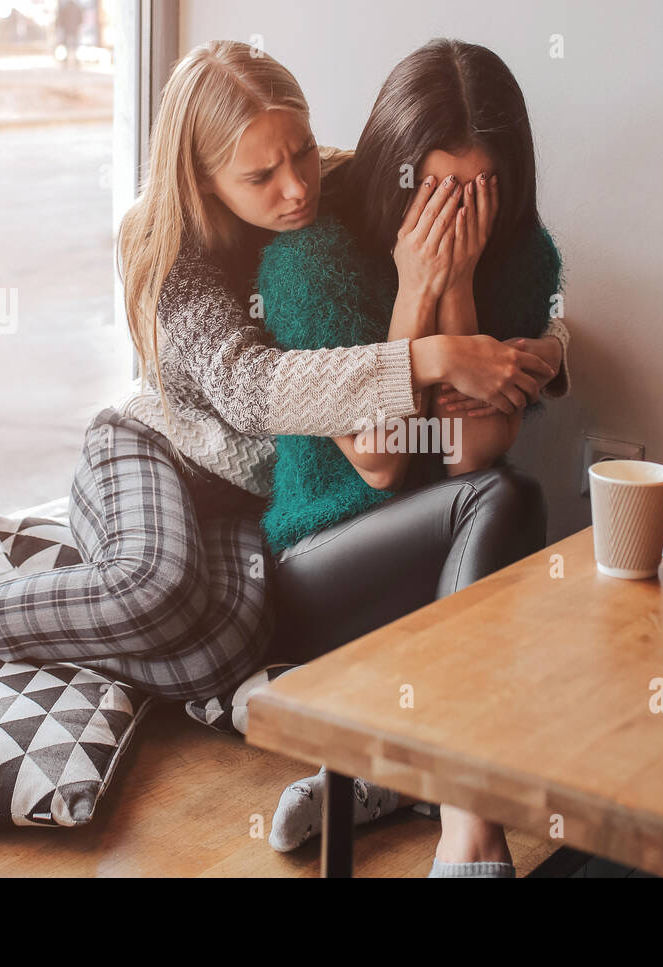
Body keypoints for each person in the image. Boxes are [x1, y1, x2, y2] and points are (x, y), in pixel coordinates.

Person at [0, 42, 561, 718]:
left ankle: (66, 590)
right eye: (260, 175)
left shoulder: (345, 192)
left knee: (223, 652)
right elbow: (252, 391)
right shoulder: (179, 262)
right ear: (203, 179)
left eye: (303, 151)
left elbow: (503, 316)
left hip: (243, 501)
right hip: (153, 453)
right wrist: (429, 357)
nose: (296, 187)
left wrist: (554, 348)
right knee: (155, 586)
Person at [258, 39, 569, 878]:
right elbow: (381, 465)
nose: (455, 216)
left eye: (477, 191)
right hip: (322, 564)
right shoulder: (311, 259)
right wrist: (415, 290)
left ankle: (400, 776)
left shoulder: (522, 255)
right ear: (394, 168)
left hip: (444, 565)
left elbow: (470, 453)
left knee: (510, 492)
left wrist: (458, 283)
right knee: (504, 501)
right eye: (434, 191)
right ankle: (470, 832)